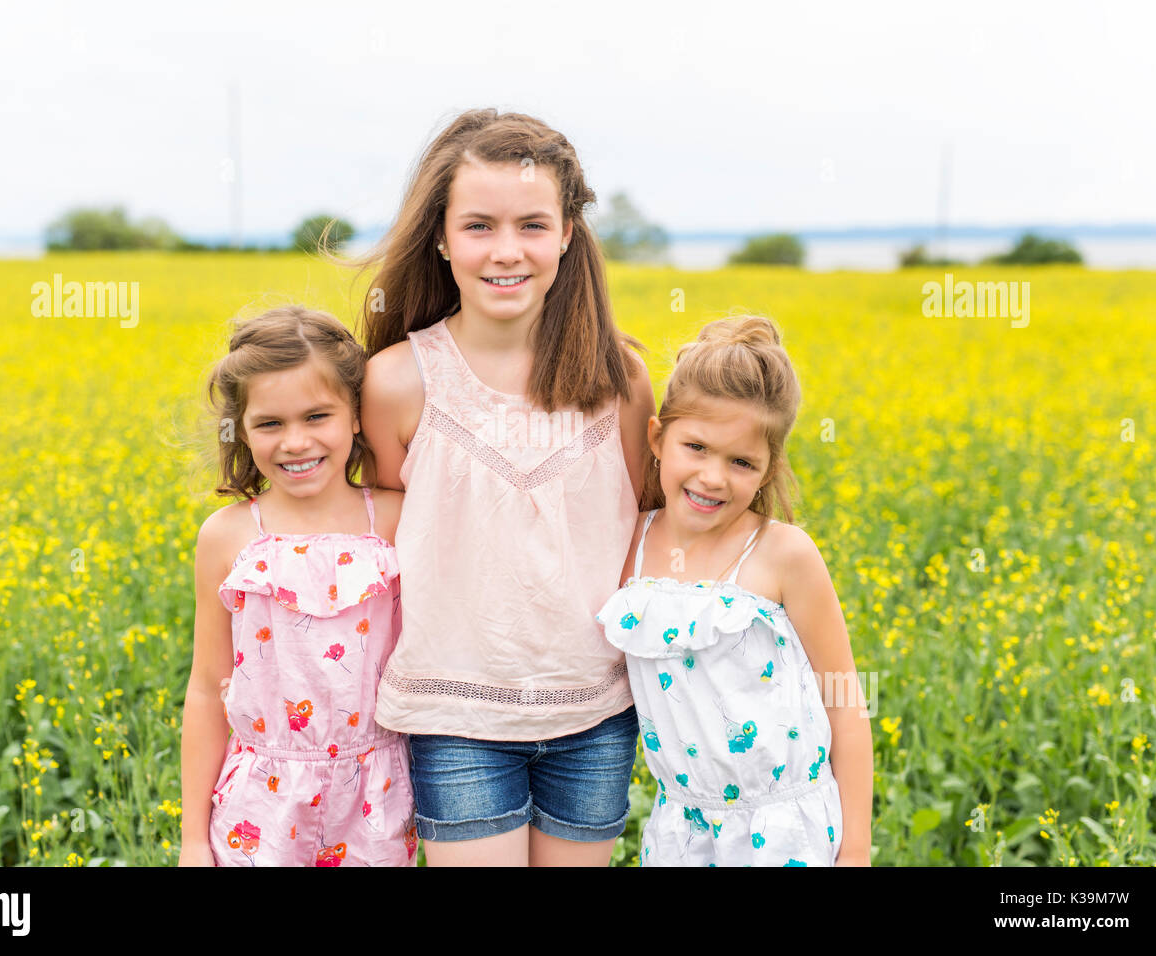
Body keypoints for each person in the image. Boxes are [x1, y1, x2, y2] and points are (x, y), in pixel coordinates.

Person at [358, 108, 657, 866]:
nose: (505, 251)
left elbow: (649, 531)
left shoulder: (619, 381)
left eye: (531, 225)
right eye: (479, 226)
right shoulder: (397, 381)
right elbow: (386, 539)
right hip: (455, 715)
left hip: (593, 712)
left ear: (566, 234)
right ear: (441, 236)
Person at [595, 315, 873, 866]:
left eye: (741, 462)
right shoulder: (628, 543)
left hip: (789, 830)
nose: (713, 477)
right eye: (696, 447)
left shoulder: (784, 554)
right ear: (657, 438)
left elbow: (846, 701)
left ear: (767, 472)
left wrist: (857, 849)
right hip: (682, 832)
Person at [179, 306, 416, 867]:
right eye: (269, 424)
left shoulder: (394, 519)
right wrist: (192, 841)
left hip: (375, 797)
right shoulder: (229, 535)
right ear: (241, 429)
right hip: (258, 804)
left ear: (356, 416)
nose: (295, 442)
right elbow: (207, 687)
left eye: (317, 416)